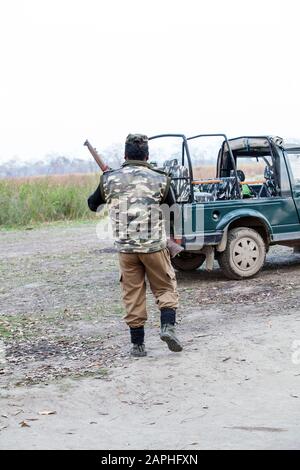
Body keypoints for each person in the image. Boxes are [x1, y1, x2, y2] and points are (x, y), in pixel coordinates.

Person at [87, 134, 182, 357]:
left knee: (132, 294)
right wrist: (173, 237)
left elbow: (92, 205)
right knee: (165, 287)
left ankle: (138, 345)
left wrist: (108, 187)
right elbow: (172, 209)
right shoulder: (160, 178)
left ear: (125, 155)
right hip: (154, 248)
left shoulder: (109, 179)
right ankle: (167, 327)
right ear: (147, 155)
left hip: (126, 250)